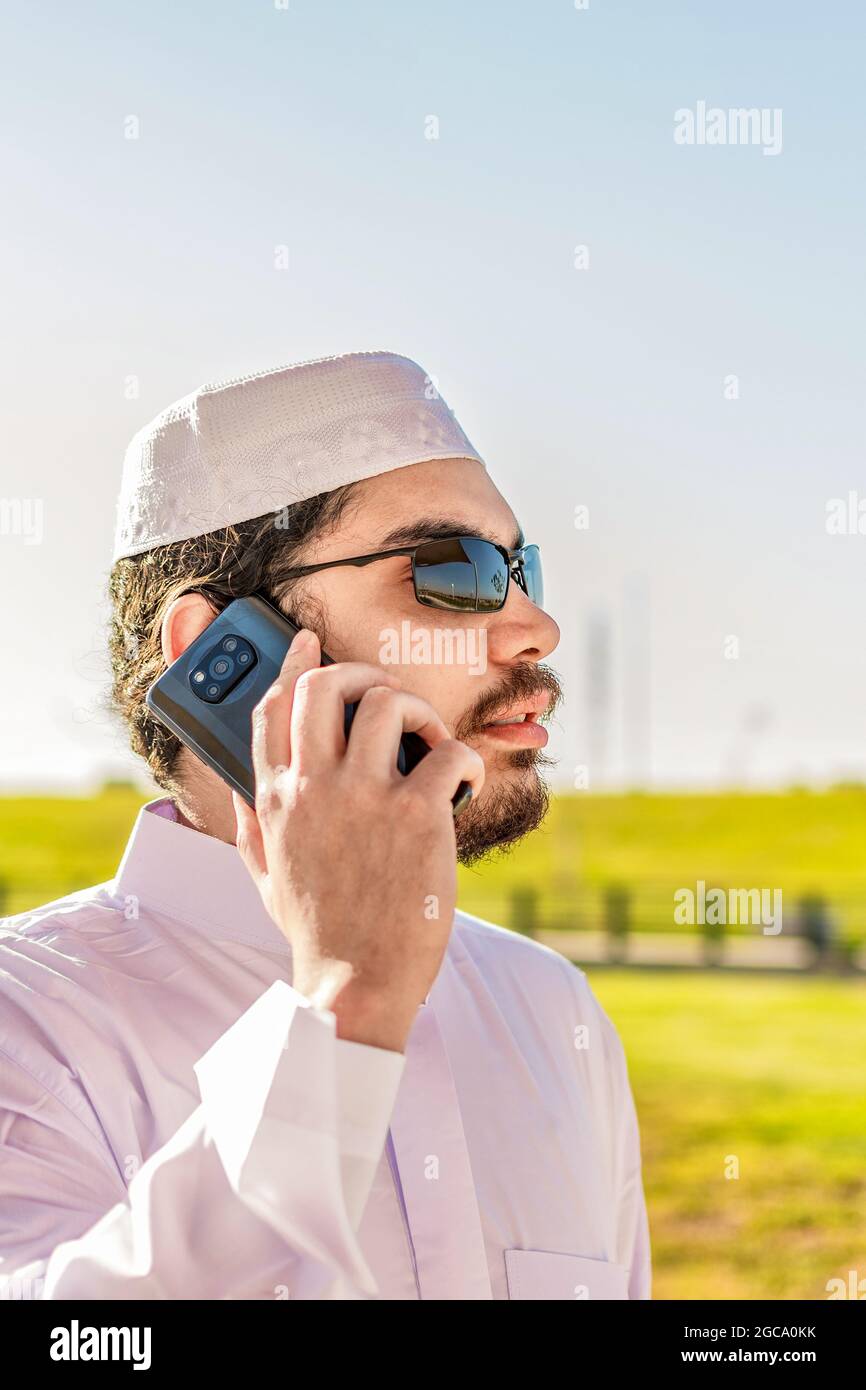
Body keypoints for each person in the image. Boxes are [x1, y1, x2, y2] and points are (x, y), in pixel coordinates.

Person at [0, 351, 651, 1299]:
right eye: (453, 572)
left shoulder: (552, 1009)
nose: (536, 627)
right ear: (222, 652)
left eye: (522, 569)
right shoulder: (28, 1022)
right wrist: (349, 1004)